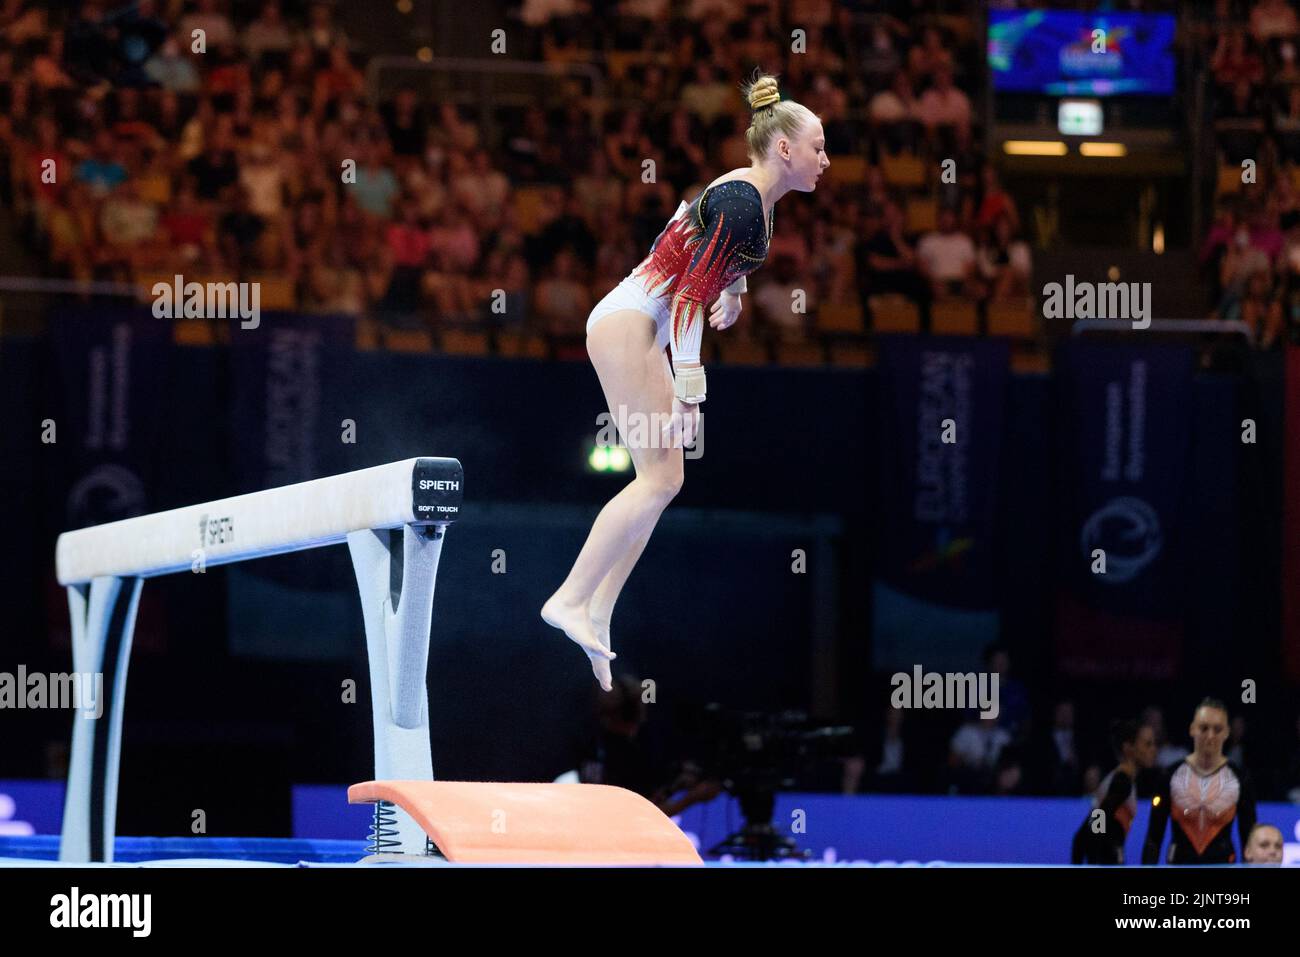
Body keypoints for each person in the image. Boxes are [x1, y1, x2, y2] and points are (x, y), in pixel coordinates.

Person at [542, 71, 828, 690]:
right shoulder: (745, 201)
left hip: (639, 322)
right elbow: (690, 298)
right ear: (785, 149)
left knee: (665, 480)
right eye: (818, 147)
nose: (825, 160)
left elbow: (692, 235)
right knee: (657, 481)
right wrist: (693, 393)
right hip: (632, 323)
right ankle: (569, 598)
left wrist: (738, 290)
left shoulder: (753, 200)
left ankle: (597, 608)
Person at [1142, 699, 1257, 864]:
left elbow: (1249, 840)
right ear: (1192, 729)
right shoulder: (1169, 776)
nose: (1210, 736)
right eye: (1204, 728)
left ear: (1227, 732)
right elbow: (1154, 837)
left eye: (1217, 729)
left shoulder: (1240, 778)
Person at [1071, 720, 1157, 864]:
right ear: (1128, 748)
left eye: (1154, 743)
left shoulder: (1121, 779)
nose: (1154, 749)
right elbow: (1095, 825)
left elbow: (1084, 834)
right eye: (1147, 744)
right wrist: (1097, 861)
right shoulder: (1121, 782)